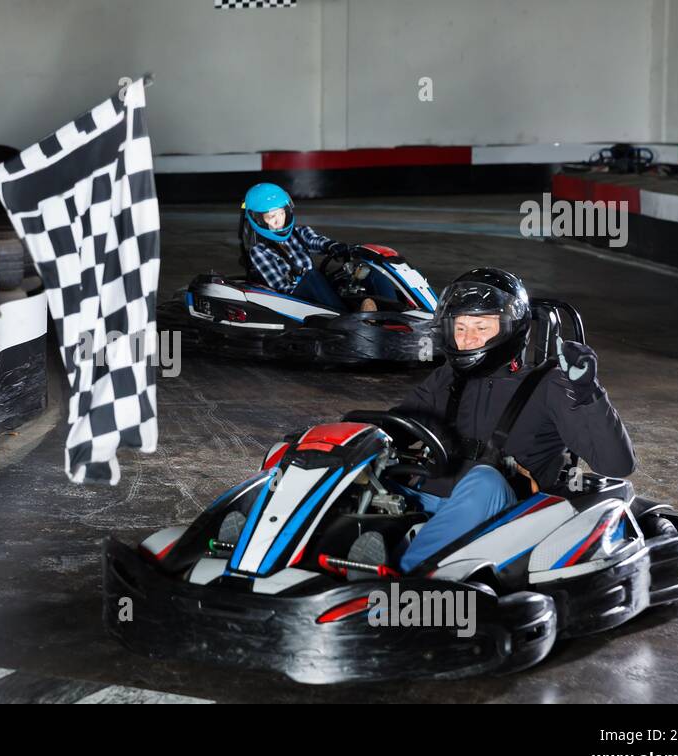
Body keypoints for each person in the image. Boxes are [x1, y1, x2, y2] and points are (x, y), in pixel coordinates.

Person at [376, 268, 637, 573]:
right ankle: (343, 561)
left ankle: (403, 581)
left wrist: (588, 391)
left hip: (510, 514)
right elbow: (397, 426)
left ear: (509, 329)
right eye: (460, 328)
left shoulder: (550, 385)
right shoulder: (446, 378)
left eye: (480, 327)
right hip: (434, 501)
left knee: (484, 481)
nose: (467, 339)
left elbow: (618, 464)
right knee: (365, 474)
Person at [240, 183, 377, 313]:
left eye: (281, 213)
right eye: (271, 216)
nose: (279, 220)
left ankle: (389, 312)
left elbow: (315, 240)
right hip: (291, 300)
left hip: (314, 289)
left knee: (364, 268)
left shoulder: (299, 233)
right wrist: (309, 282)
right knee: (312, 276)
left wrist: (331, 245)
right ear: (258, 219)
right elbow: (281, 288)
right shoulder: (259, 251)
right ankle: (349, 319)